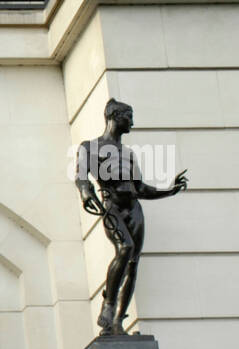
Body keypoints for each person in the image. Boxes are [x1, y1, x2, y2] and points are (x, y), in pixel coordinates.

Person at [75, 98, 188, 336]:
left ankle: (117, 323)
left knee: (133, 264)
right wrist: (86, 193)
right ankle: (108, 306)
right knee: (124, 248)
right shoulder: (89, 147)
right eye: (129, 117)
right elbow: (81, 177)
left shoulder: (128, 154)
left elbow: (140, 188)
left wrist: (170, 189)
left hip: (133, 209)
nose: (132, 123)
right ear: (115, 116)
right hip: (112, 207)